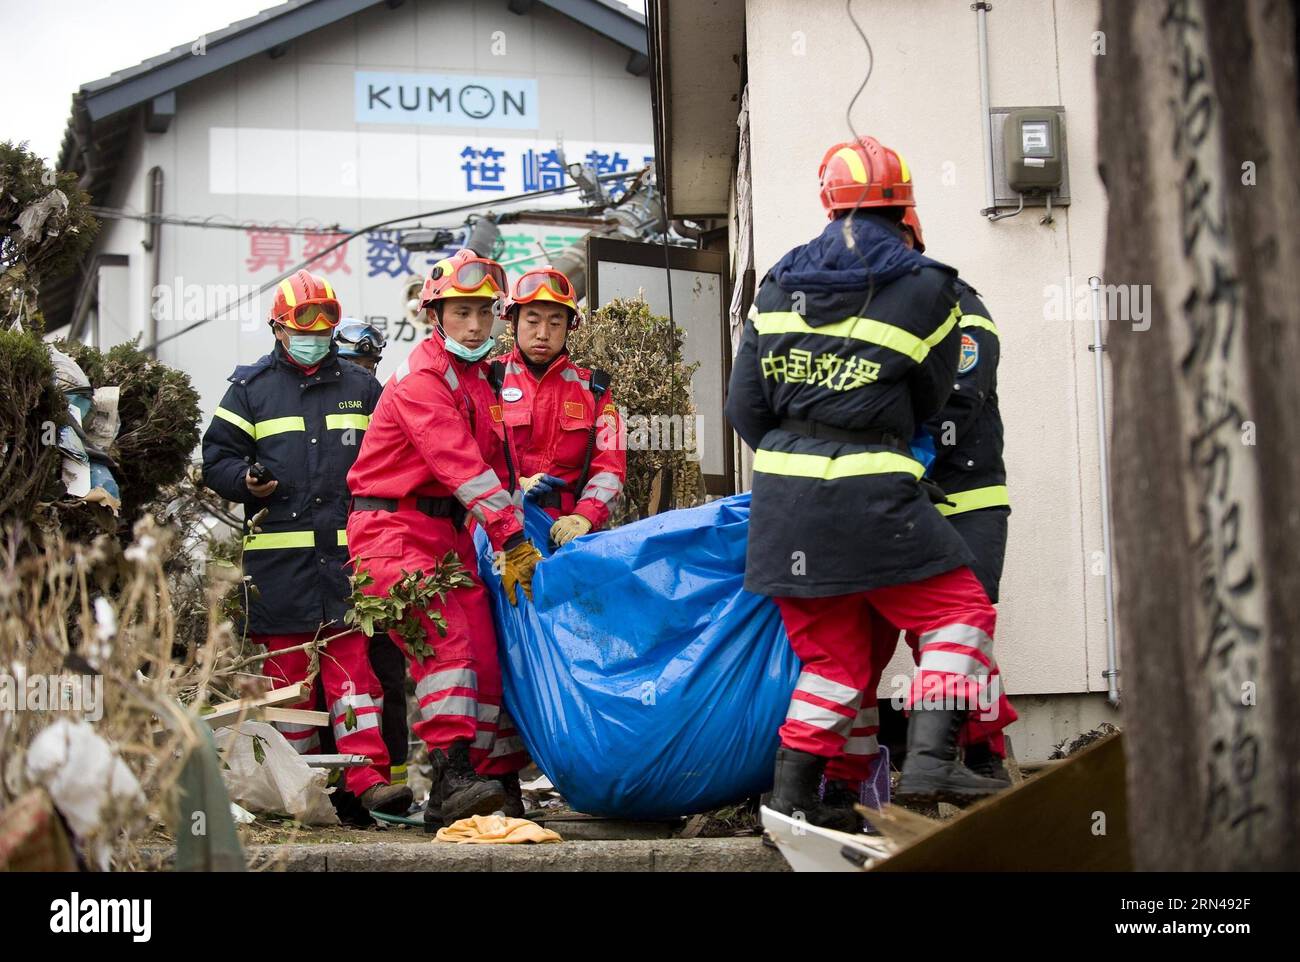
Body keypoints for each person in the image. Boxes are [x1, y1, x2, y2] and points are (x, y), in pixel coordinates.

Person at [725, 135, 1013, 830]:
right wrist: (861, 440)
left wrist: (803, 453)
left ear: (828, 206)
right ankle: (932, 759)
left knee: (836, 662)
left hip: (783, 509)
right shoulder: (930, 289)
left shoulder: (776, 285)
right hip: (875, 495)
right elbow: (934, 401)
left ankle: (793, 797)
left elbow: (744, 410)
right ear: (906, 209)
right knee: (958, 614)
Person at [345, 249, 543, 832]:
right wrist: (510, 538)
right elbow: (463, 468)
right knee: (446, 643)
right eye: (463, 312)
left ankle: (493, 779)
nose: (476, 325)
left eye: (484, 312)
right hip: (392, 530)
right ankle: (452, 775)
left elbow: (498, 470)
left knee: (484, 648)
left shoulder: (477, 379)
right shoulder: (422, 380)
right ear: (437, 315)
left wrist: (522, 523)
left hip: (446, 534)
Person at [201, 269, 410, 816]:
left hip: (349, 563)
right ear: (279, 327)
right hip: (279, 567)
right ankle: (302, 791)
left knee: (354, 677)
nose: (317, 331)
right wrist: (244, 479)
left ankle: (367, 781)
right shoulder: (250, 391)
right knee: (289, 682)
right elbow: (216, 459)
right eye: (305, 321)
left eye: (327, 321)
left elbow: (395, 453)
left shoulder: (363, 388)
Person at [489, 266, 625, 546]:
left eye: (555, 323)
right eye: (532, 320)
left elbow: (610, 469)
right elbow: (466, 458)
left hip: (563, 535)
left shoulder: (595, 391)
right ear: (513, 322)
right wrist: (516, 483)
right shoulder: (488, 379)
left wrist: (584, 517)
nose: (543, 333)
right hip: (495, 526)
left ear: (569, 327)